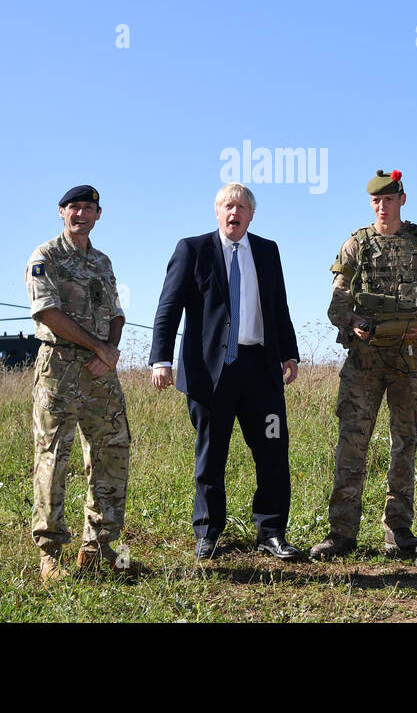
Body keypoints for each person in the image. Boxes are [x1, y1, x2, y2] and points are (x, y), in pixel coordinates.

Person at [150, 183, 303, 561]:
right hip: (210, 374)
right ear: (217, 212)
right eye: (227, 206)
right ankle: (208, 532)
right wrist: (161, 359)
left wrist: (289, 354)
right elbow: (168, 306)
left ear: (251, 215)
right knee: (211, 454)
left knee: (272, 450)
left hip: (260, 371)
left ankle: (271, 532)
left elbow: (278, 305)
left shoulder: (267, 251)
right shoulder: (192, 249)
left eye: (241, 207)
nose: (234, 213)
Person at [309, 169, 417, 561]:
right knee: (352, 445)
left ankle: (398, 531)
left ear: (401, 200)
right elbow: (337, 301)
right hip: (365, 362)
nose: (382, 206)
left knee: (403, 445)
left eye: (389, 199)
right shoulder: (356, 246)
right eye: (376, 200)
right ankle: (342, 533)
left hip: (411, 360)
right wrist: (352, 321)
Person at [26, 185, 138, 582]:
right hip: (59, 370)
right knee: (54, 458)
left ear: (98, 215)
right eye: (75, 208)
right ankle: (50, 554)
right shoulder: (46, 257)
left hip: (99, 374)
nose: (81, 214)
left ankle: (100, 547)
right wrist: (98, 347)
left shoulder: (103, 262)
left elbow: (117, 314)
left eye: (89, 208)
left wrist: (108, 351)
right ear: (61, 212)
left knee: (113, 450)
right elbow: (48, 313)